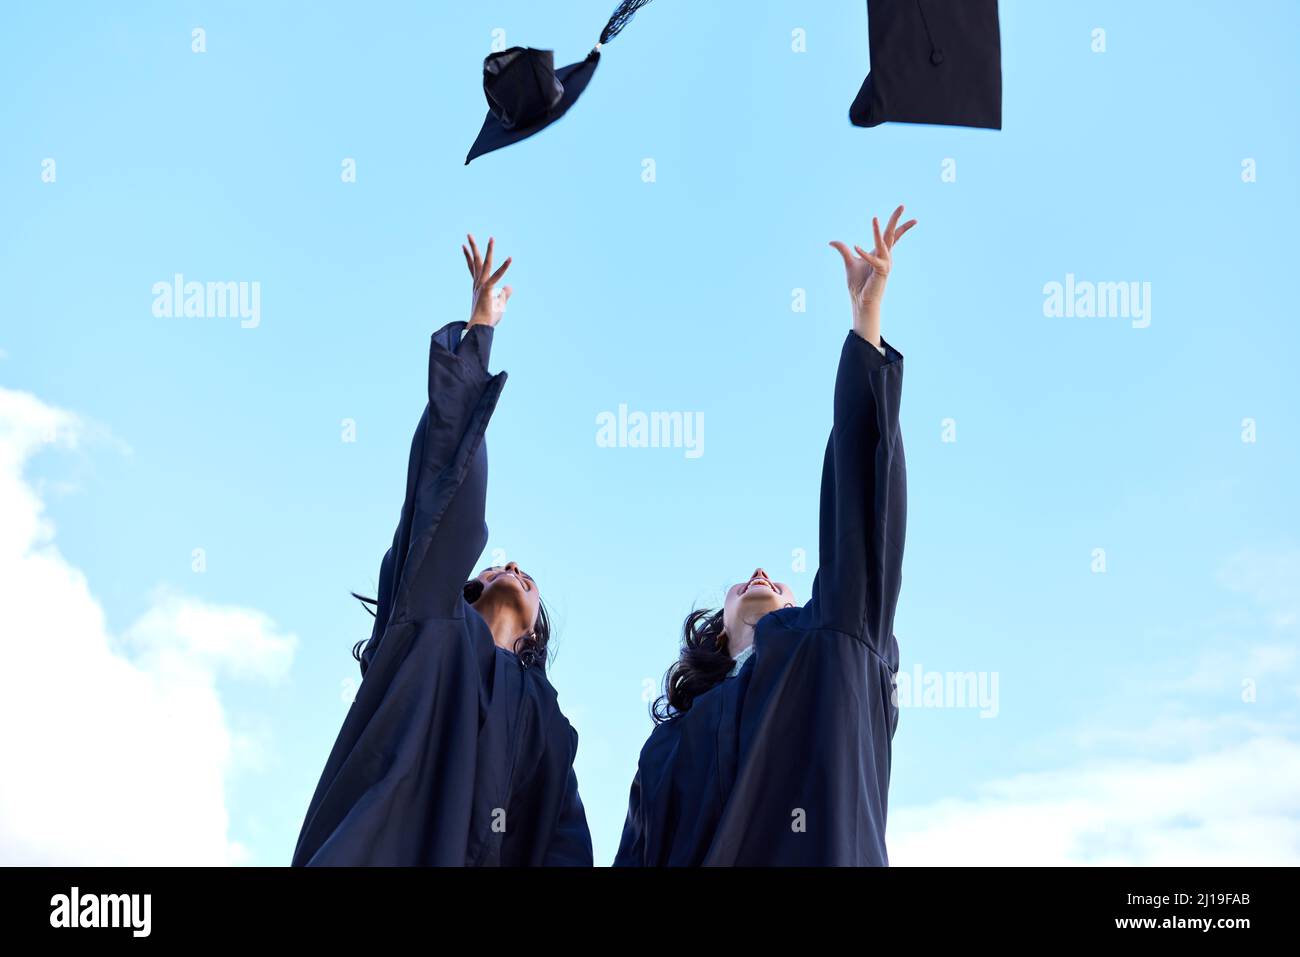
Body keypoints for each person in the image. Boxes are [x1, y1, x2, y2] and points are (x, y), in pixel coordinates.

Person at [615, 206, 916, 866]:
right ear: (715, 630)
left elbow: (862, 514)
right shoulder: (667, 749)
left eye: (781, 584)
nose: (763, 575)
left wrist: (866, 327)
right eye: (749, 583)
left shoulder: (830, 644)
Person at [293, 236, 592, 866]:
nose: (514, 568)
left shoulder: (552, 728)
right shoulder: (429, 623)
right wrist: (478, 335)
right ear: (465, 583)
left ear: (539, 626)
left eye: (526, 574)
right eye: (498, 564)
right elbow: (443, 500)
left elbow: (566, 849)